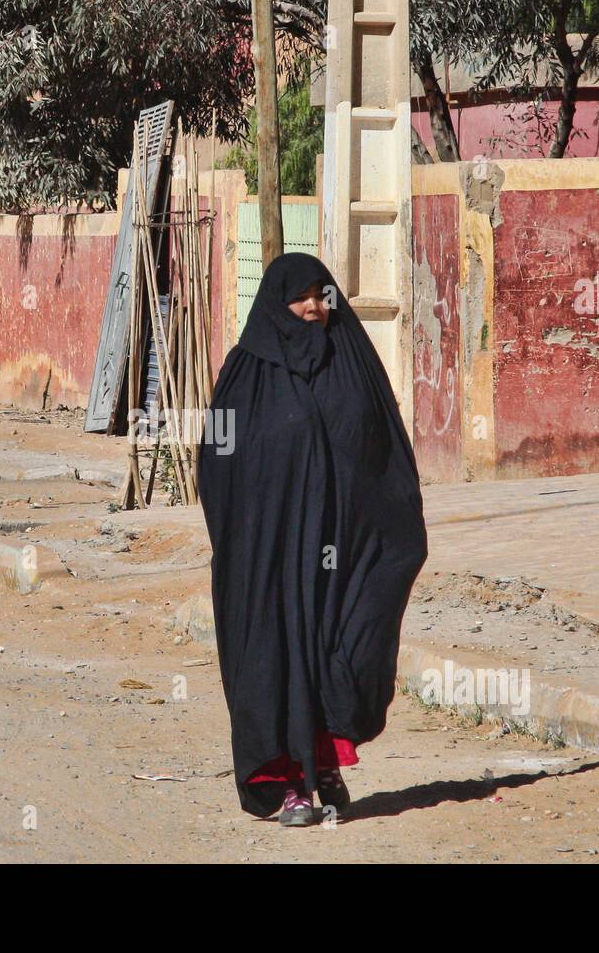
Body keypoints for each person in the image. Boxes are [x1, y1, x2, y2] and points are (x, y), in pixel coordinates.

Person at [198, 252, 428, 827]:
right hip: (271, 554)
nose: (313, 306)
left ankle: (325, 765)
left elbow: (386, 451)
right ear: (277, 302)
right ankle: (294, 783)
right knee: (280, 657)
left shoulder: (353, 360)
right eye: (301, 297)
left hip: (341, 551)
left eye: (321, 295)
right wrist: (244, 533)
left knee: (337, 648)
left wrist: (389, 530)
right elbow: (218, 461)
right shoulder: (245, 371)